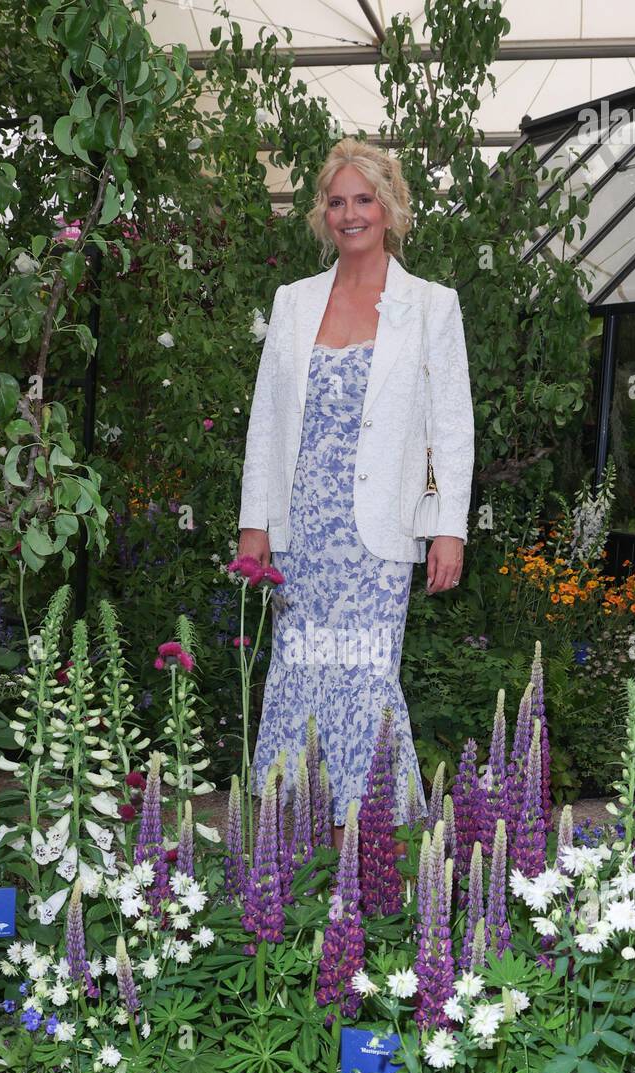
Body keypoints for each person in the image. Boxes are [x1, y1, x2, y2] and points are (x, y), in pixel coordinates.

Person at [237, 137, 475, 853]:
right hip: (301, 535)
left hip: (377, 538)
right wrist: (255, 525)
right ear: (322, 214)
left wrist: (448, 527)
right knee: (299, 674)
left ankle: (364, 850)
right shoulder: (293, 302)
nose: (350, 214)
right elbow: (267, 421)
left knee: (367, 680)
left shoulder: (430, 306)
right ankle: (298, 848)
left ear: (392, 208)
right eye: (337, 202)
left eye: (364, 199)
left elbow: (448, 429)